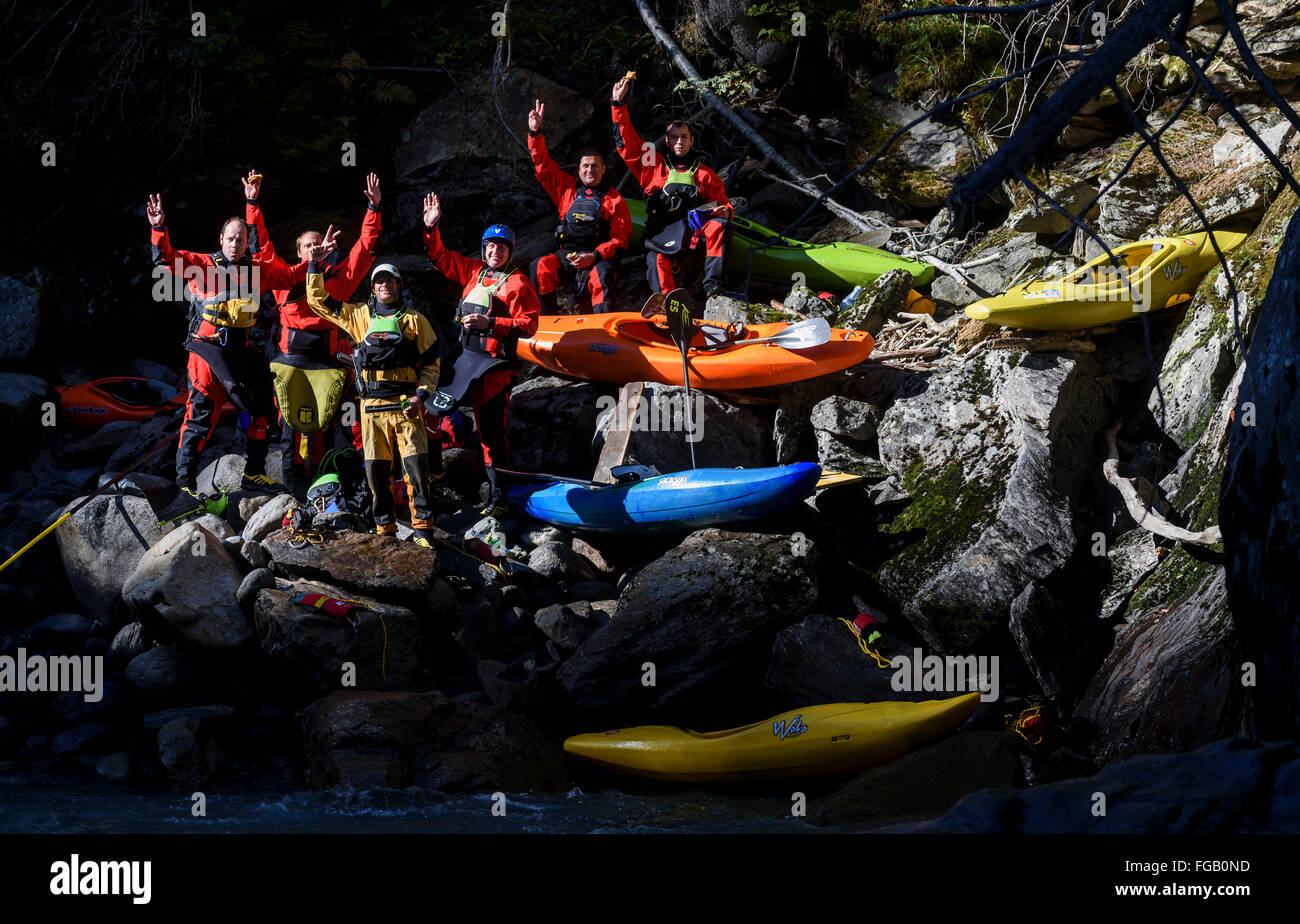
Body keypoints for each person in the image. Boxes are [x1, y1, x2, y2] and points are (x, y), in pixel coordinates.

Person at [147, 191, 304, 497]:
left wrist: (313, 262)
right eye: (230, 238)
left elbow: (289, 277)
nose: (235, 244)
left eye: (241, 239)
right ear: (221, 239)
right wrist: (158, 226)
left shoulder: (257, 269)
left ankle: (254, 474)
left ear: (247, 242)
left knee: (262, 408)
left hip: (238, 352)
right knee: (201, 415)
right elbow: (165, 257)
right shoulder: (201, 264)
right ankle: (185, 485)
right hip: (206, 351)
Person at [243, 170, 382, 497]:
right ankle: (292, 484)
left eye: (318, 244)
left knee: (326, 426)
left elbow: (365, 249)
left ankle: (325, 481)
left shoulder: (340, 279)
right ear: (298, 251)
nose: (313, 248)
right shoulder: (283, 278)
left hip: (329, 363)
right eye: (307, 245)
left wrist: (373, 209)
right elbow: (259, 244)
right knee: (290, 426)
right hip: (291, 364)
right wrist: (252, 202)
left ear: (328, 248)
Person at [303, 252, 441, 547]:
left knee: (416, 469)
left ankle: (423, 531)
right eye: (379, 281)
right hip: (371, 407)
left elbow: (432, 365)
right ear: (372, 287)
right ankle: (385, 529)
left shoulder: (416, 321)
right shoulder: (357, 316)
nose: (384, 285)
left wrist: (421, 396)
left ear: (398, 284)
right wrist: (314, 265)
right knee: (376, 473)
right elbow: (317, 301)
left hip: (407, 406)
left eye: (389, 280)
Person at [421, 192, 540, 517]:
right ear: (484, 248)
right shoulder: (474, 271)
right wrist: (431, 228)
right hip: (466, 359)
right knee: (430, 410)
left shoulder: (517, 283)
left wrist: (492, 322)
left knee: (490, 431)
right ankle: (433, 477)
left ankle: (499, 497)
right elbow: (441, 258)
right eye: (490, 246)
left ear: (509, 251)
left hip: (495, 366)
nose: (495, 251)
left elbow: (529, 324)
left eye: (501, 247)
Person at [610, 75, 734, 298]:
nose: (679, 142)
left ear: (691, 141)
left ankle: (713, 287)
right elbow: (627, 144)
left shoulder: (704, 173)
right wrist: (618, 105)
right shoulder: (651, 163)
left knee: (719, 226)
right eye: (674, 137)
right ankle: (667, 302)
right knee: (654, 259)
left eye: (684, 137)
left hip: (693, 234)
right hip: (661, 232)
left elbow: (723, 204)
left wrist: (725, 211)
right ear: (667, 141)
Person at [526, 99, 631, 313]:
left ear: (603, 169)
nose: (590, 170)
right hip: (568, 256)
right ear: (578, 169)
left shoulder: (614, 199)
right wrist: (535, 133)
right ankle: (547, 320)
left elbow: (621, 240)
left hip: (597, 259)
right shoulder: (566, 189)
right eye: (585, 166)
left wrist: (596, 255)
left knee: (602, 276)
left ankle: (601, 330)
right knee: (539, 267)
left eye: (595, 166)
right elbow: (543, 166)